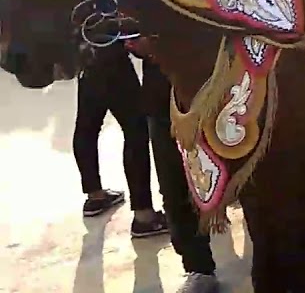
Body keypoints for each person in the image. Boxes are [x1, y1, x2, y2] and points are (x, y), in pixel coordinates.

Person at [132, 37, 221, 292]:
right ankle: (198, 267)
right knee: (175, 188)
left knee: (249, 180)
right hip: (163, 101)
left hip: (220, 89)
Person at [72, 41, 169, 238]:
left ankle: (95, 195)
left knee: (87, 127)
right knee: (136, 131)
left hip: (86, 52)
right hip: (112, 56)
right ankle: (144, 216)